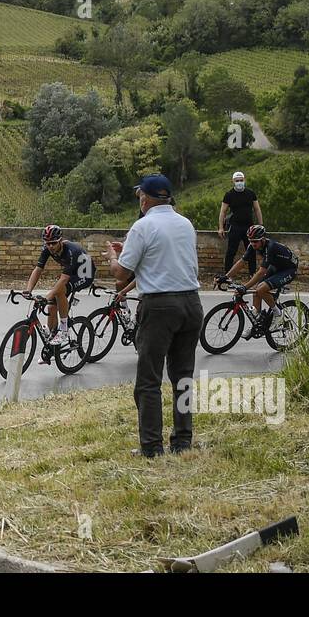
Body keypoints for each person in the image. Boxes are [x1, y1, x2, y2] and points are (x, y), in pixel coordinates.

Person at [106, 174, 202, 458]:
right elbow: (166, 257)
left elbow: (122, 274)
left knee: (148, 379)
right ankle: (183, 441)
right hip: (191, 304)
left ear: (145, 198)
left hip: (159, 306)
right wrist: (132, 254)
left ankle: (151, 446)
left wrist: (113, 257)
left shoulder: (142, 226)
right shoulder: (186, 224)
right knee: (182, 376)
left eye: (139, 196)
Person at [22, 225, 94, 363]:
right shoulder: (47, 249)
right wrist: (28, 289)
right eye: (47, 243)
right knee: (50, 306)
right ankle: (52, 346)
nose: (50, 246)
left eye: (54, 243)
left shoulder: (71, 251)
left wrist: (47, 296)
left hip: (84, 274)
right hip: (71, 273)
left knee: (58, 290)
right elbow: (38, 269)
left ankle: (64, 330)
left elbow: (64, 280)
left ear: (60, 240)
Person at [222, 224, 298, 338]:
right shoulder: (253, 246)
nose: (253, 244)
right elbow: (241, 262)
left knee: (261, 289)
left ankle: (278, 314)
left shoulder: (270, 247)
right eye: (250, 241)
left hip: (288, 270)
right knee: (256, 291)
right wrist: (226, 277)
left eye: (255, 241)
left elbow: (261, 272)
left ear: (262, 239)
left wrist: (245, 287)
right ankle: (256, 324)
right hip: (276, 266)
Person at [218, 171, 262, 276]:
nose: (239, 182)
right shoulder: (229, 195)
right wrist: (220, 227)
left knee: (251, 251)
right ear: (233, 181)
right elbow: (223, 211)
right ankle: (227, 275)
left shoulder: (251, 193)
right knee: (231, 252)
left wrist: (260, 225)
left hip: (249, 227)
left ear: (244, 180)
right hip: (235, 226)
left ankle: (252, 274)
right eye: (237, 181)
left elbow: (257, 209)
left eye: (241, 180)